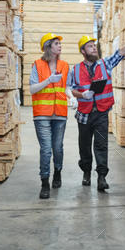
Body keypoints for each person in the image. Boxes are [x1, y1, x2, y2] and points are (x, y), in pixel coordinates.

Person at [68, 30, 125, 191]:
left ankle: (102, 177)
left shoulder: (105, 64)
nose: (94, 48)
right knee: (84, 146)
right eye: (90, 46)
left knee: (101, 145)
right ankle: (86, 172)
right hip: (83, 114)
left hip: (101, 113)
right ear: (83, 51)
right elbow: (70, 89)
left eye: (94, 46)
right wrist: (81, 95)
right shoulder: (75, 70)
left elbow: (121, 52)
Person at [29, 33, 78, 199]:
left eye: (60, 44)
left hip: (60, 114)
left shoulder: (64, 66)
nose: (60, 46)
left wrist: (72, 98)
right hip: (42, 114)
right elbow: (32, 89)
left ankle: (58, 171)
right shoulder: (37, 65)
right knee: (45, 149)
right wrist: (49, 80)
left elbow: (66, 88)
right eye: (56, 43)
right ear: (48, 46)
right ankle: (44, 182)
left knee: (57, 148)